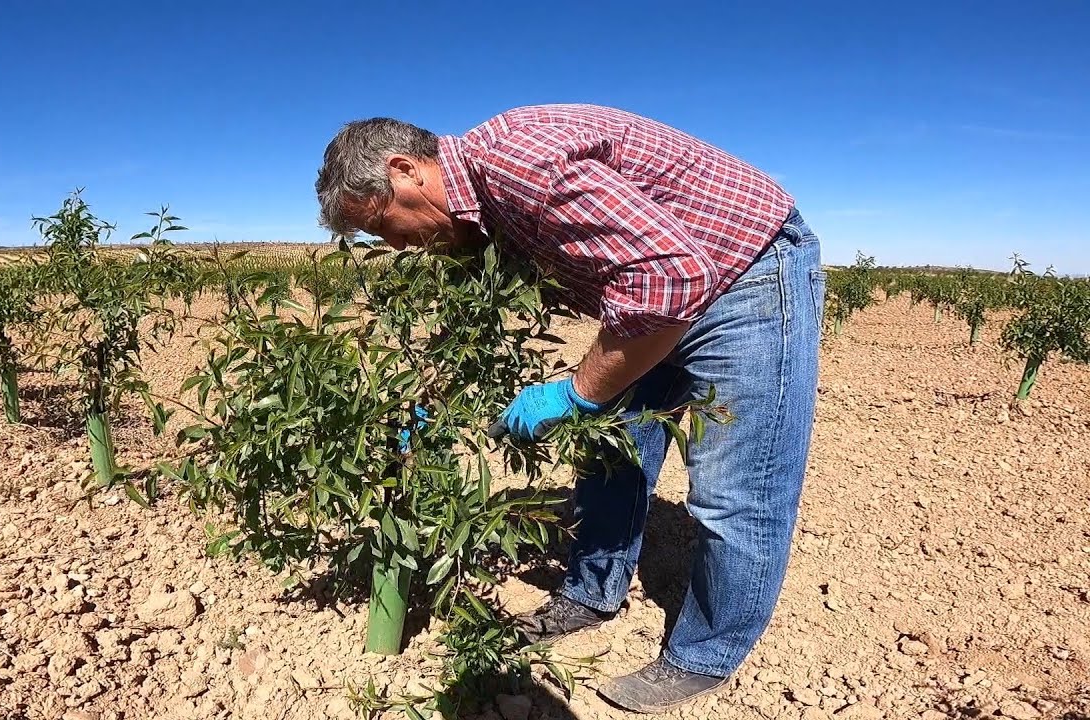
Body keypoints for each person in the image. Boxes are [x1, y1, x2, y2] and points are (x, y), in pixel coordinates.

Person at [314, 104, 823, 713]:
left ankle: (705, 654)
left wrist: (575, 391)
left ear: (405, 171)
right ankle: (590, 592)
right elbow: (474, 320)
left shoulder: (516, 164)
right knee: (608, 452)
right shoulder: (473, 219)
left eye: (385, 226)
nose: (397, 246)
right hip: (660, 294)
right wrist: (433, 397)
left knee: (736, 493)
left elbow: (671, 275)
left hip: (746, 273)